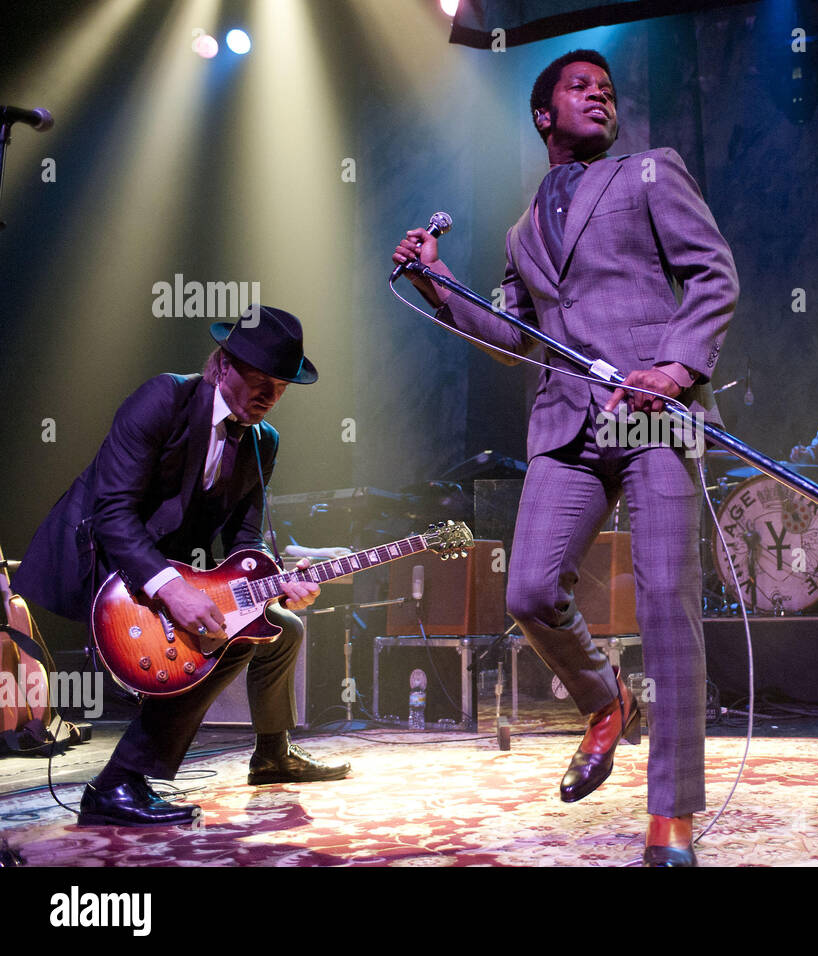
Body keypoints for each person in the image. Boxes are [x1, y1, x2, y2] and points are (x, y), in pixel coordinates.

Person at [393, 50, 737, 865]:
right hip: (566, 427)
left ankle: (671, 816)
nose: (599, 96)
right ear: (543, 115)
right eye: (579, 88)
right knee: (530, 587)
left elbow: (712, 274)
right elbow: (518, 341)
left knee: (664, 603)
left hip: (654, 410)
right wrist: (442, 286)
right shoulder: (520, 233)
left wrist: (680, 367)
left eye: (607, 89)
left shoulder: (652, 172)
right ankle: (604, 696)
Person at [14, 306, 351, 826]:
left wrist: (276, 586)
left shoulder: (264, 442)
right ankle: (119, 782)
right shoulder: (164, 398)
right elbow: (112, 511)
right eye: (258, 380)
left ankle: (271, 754)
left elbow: (244, 539)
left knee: (279, 629)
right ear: (222, 366)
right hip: (101, 561)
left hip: (165, 571)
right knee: (231, 637)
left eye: (280, 385)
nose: (268, 395)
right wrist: (173, 588)